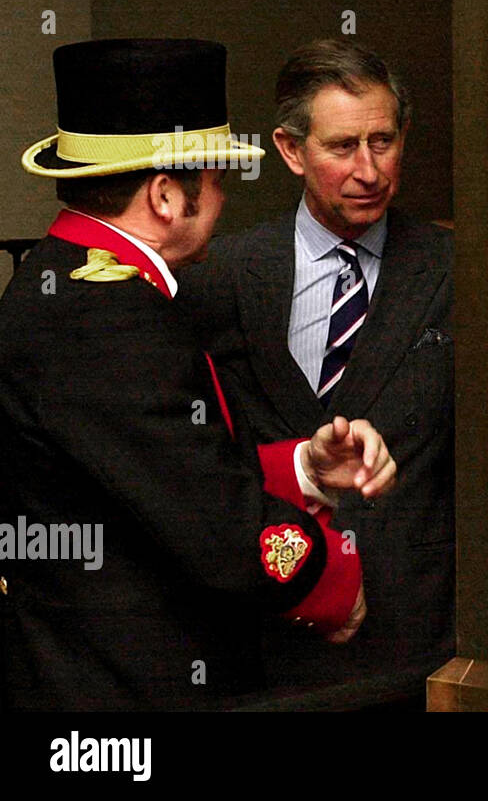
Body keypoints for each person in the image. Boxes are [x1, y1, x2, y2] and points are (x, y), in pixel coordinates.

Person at [1, 38, 395, 710]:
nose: (219, 196)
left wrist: (299, 467)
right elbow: (213, 524)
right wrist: (332, 578)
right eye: (213, 179)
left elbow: (152, 471)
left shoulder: (65, 275)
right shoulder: (106, 315)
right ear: (164, 194)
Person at [184, 39, 454, 702]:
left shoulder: (455, 269)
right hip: (268, 636)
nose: (369, 169)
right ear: (290, 149)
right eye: (342, 147)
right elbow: (199, 461)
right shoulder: (222, 275)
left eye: (384, 141)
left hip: (413, 642)